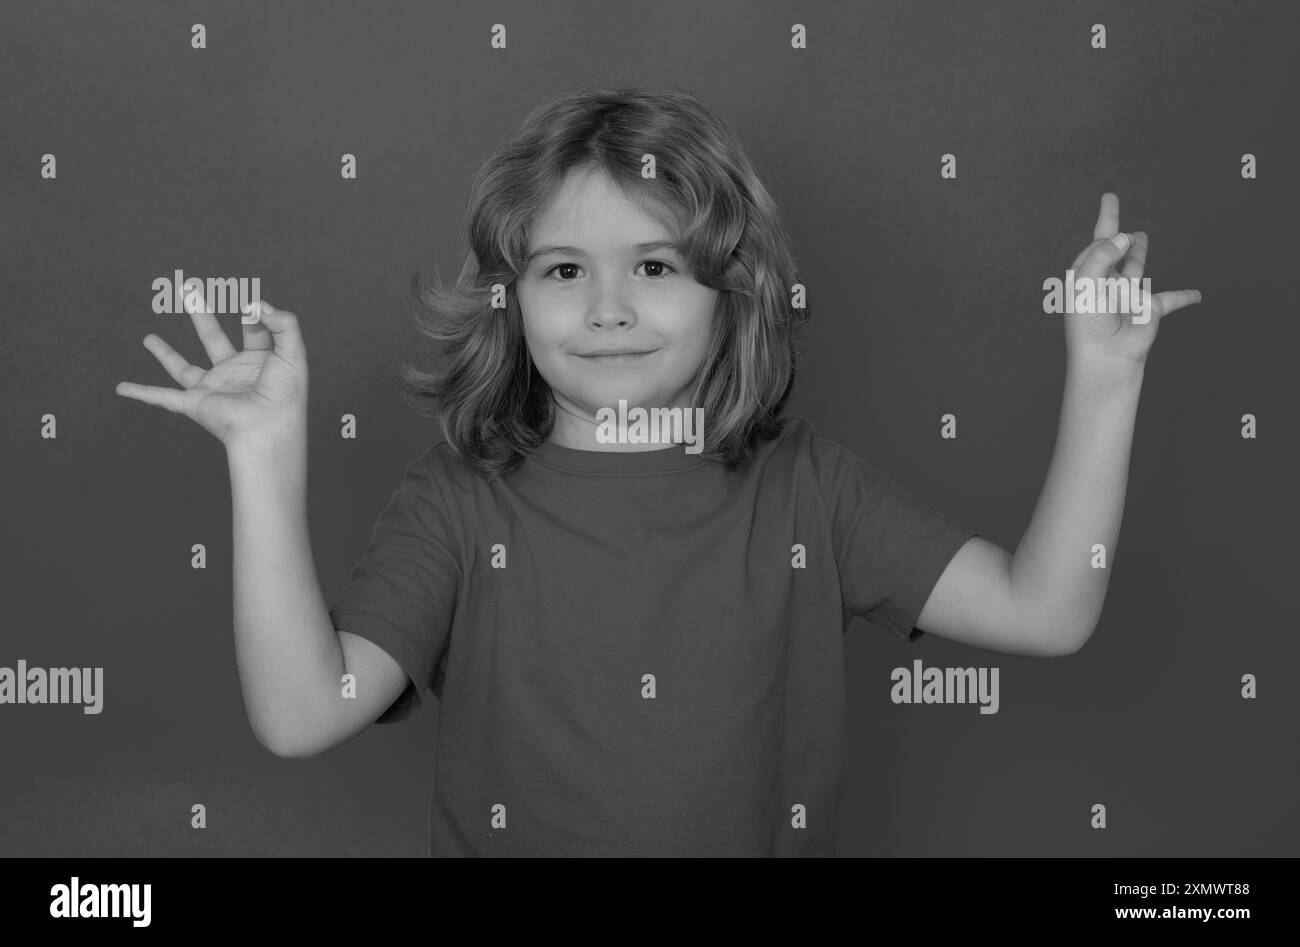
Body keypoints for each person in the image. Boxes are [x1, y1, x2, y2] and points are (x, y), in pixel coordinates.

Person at [115, 86, 1202, 857]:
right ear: (510, 298)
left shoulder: (808, 488)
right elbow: (302, 713)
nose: (608, 309)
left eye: (654, 265)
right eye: (562, 270)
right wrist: (262, 457)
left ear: (732, 289)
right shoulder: (458, 498)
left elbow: (1047, 610)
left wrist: (1105, 381)